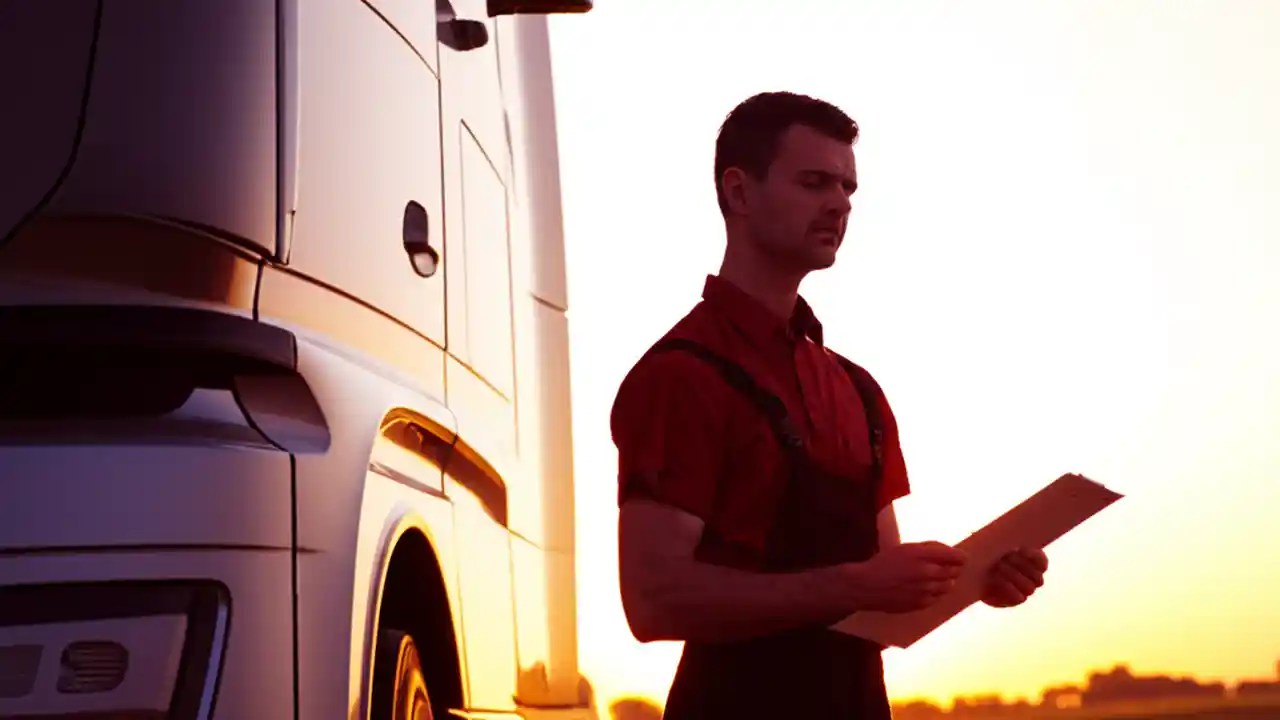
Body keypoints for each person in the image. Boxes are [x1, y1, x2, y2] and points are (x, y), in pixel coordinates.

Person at [610, 91, 1051, 719]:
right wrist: (853, 584)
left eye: (847, 188)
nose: (839, 203)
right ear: (738, 191)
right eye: (814, 182)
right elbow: (653, 602)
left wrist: (976, 581)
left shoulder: (857, 389)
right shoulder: (681, 376)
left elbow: (879, 601)